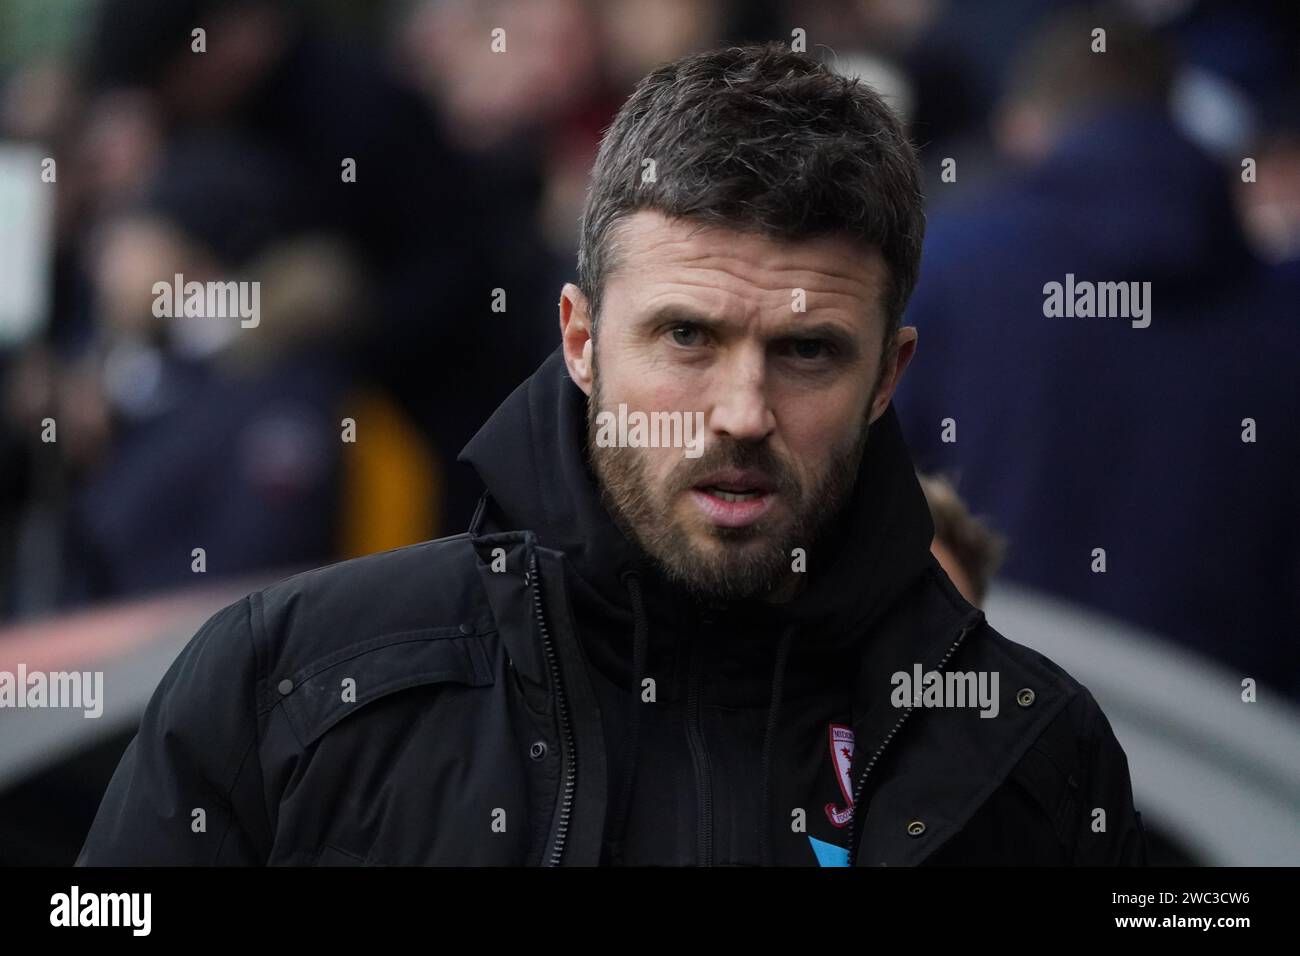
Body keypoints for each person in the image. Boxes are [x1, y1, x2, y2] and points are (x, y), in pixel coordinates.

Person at [77, 43, 1147, 867]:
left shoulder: (1027, 755)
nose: (740, 411)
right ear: (579, 339)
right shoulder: (288, 689)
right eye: (687, 335)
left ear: (888, 375)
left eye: (806, 350)